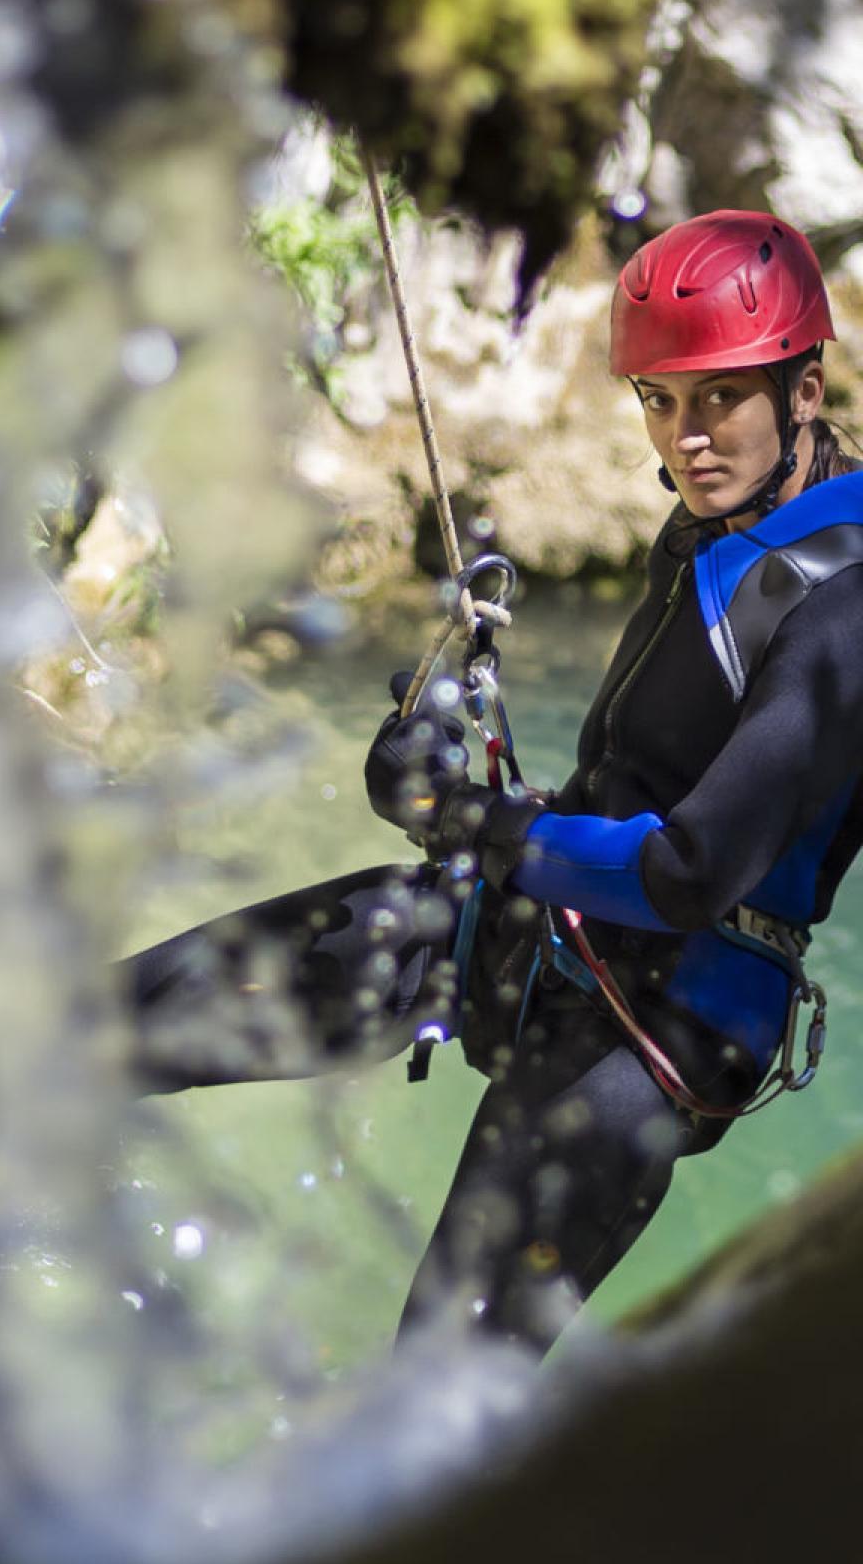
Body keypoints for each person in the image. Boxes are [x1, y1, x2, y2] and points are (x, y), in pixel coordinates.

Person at [120, 209, 863, 1356]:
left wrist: (467, 818)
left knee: (437, 1386)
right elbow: (630, 782)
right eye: (659, 400)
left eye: (718, 395)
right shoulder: (721, 515)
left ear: (803, 391)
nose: (685, 438)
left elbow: (686, 871)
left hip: (660, 1032)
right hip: (540, 932)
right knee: (129, 1019)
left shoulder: (846, 606)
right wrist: (449, 776)